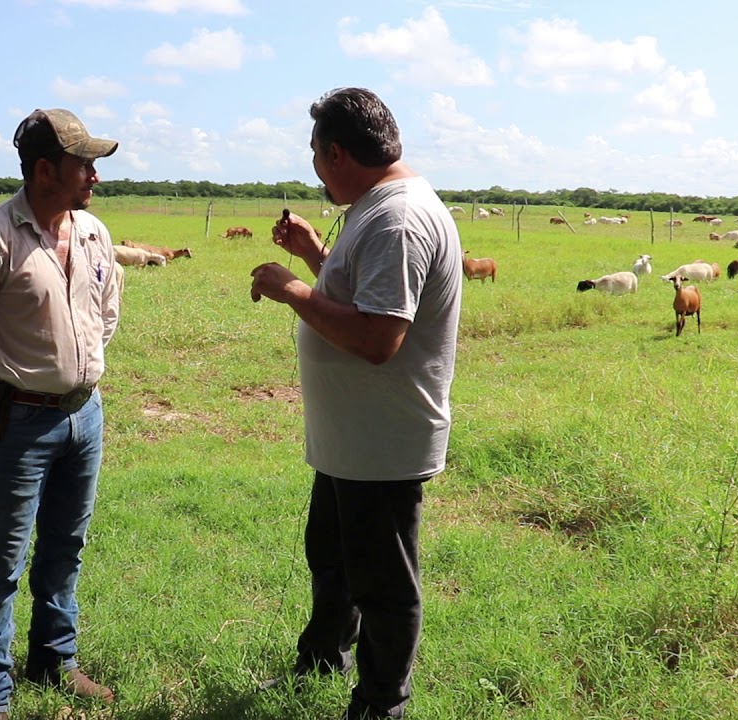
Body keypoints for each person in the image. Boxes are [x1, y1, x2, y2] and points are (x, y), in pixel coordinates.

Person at [249, 87, 463, 720]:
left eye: (315, 154)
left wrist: (291, 289)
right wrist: (316, 256)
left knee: (383, 585)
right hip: (353, 438)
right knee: (334, 559)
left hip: (381, 442)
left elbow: (377, 338)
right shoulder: (378, 207)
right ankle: (321, 661)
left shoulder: (397, 218)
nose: (314, 168)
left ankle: (379, 705)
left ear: (337, 152)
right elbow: (364, 294)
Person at [0, 107, 122, 719]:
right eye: (83, 163)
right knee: (2, 561)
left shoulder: (95, 234)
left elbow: (105, 314)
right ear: (45, 170)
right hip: (16, 424)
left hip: (84, 416)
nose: (94, 175)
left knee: (67, 545)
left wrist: (79, 376)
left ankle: (54, 661)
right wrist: (3, 396)